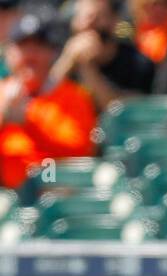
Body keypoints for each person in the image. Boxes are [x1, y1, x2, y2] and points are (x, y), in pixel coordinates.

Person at [0, 10, 97, 189]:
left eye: (38, 46)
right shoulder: (2, 93)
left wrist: (29, 123)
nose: (30, 54)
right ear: (9, 53)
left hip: (53, 189)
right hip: (6, 193)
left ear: (52, 53)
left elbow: (79, 151)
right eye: (23, 46)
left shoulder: (72, 95)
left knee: (50, 176)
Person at [52, 0, 156, 109]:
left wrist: (88, 67)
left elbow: (122, 111)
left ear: (114, 21)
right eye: (83, 17)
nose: (88, 24)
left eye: (96, 17)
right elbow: (42, 97)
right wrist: (68, 60)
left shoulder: (138, 64)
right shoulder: (55, 54)